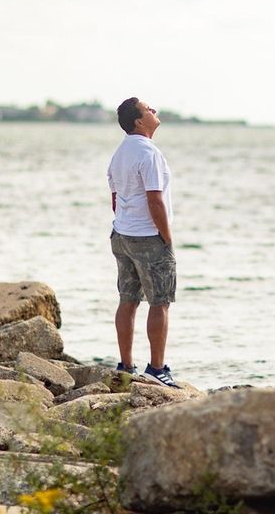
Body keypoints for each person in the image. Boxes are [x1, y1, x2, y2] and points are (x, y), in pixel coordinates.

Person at [107, 97, 179, 387]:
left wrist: (127, 222)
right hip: (147, 236)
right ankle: (157, 369)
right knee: (160, 302)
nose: (154, 111)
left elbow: (114, 199)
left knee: (128, 299)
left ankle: (125, 366)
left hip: (122, 234)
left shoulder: (119, 153)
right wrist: (166, 237)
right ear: (139, 121)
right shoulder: (149, 153)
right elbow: (155, 199)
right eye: (149, 109)